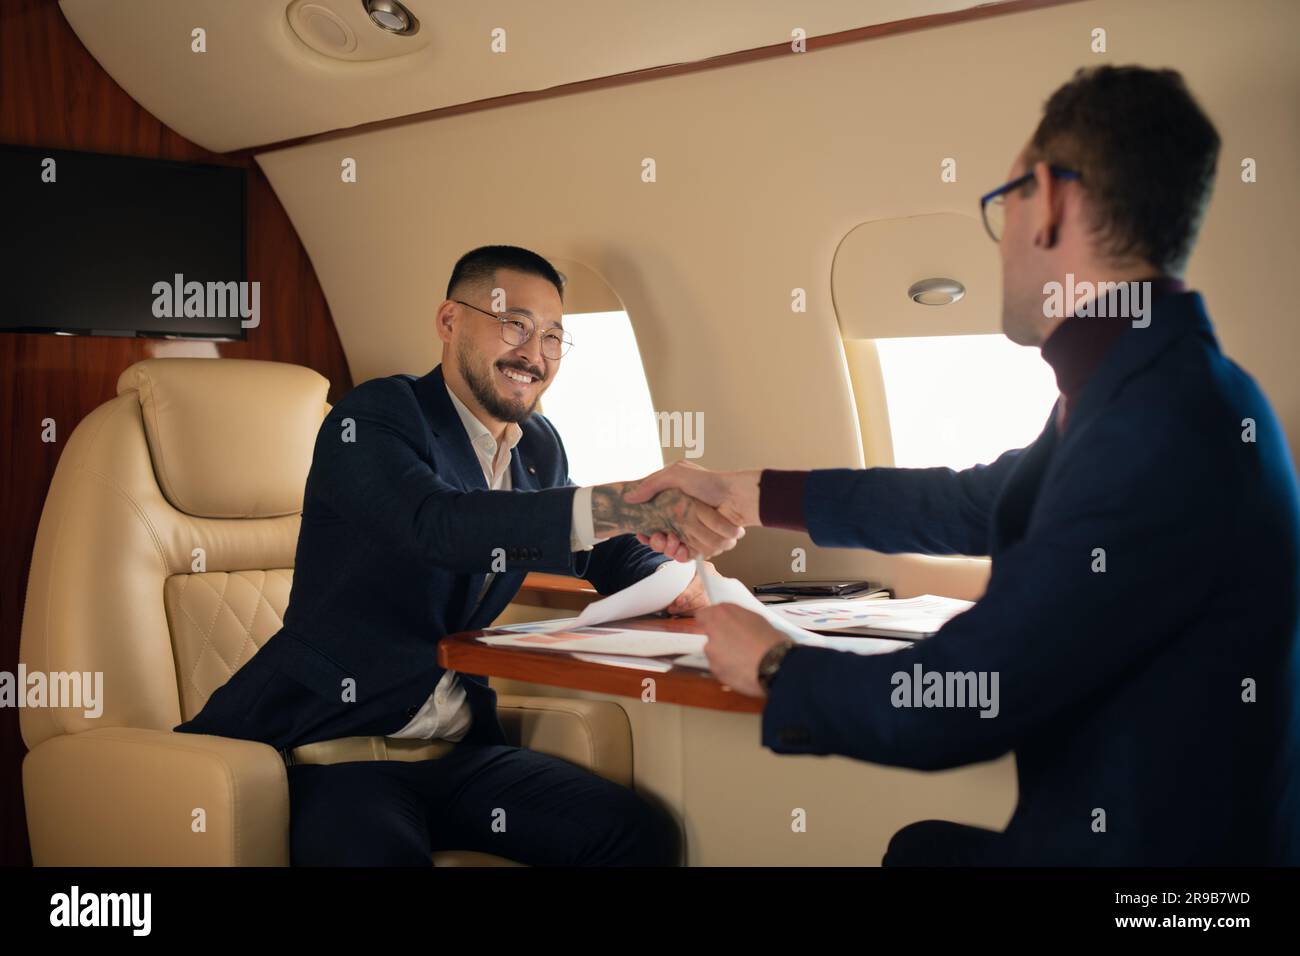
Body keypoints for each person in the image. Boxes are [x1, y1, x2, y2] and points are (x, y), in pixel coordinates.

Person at [627, 66, 1300, 865]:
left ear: (1048, 198)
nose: (1003, 239)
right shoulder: (1159, 384)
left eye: (1004, 204)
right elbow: (974, 502)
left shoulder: (1153, 427)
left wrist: (773, 662)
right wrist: (739, 492)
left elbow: (967, 699)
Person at [176, 244, 742, 865]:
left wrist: (673, 574)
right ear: (449, 322)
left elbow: (594, 552)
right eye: (513, 324)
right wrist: (631, 504)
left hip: (463, 759)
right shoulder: (373, 419)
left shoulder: (537, 446)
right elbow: (439, 525)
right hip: (339, 755)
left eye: (554, 336)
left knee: (637, 833)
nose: (535, 353)